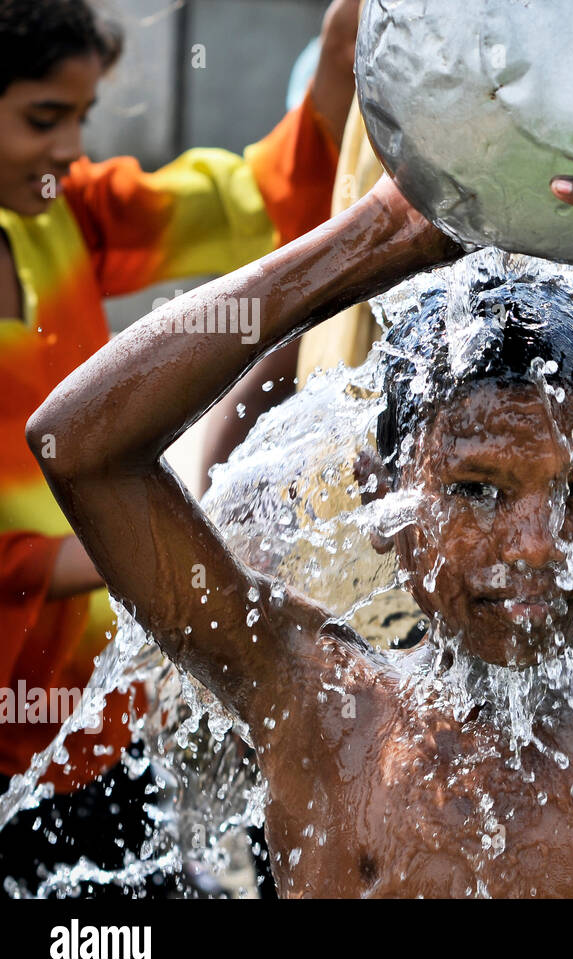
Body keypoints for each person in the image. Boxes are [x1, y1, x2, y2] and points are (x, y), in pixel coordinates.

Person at [30, 35, 573, 897]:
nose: (536, 548)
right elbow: (80, 447)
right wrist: (372, 241)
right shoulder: (313, 697)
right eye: (476, 490)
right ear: (382, 492)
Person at [0, 0, 354, 894]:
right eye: (45, 118)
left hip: (93, 726)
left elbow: (249, 200)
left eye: (81, 118)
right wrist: (162, 548)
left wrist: (344, 45)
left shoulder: (59, 219)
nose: (70, 149)